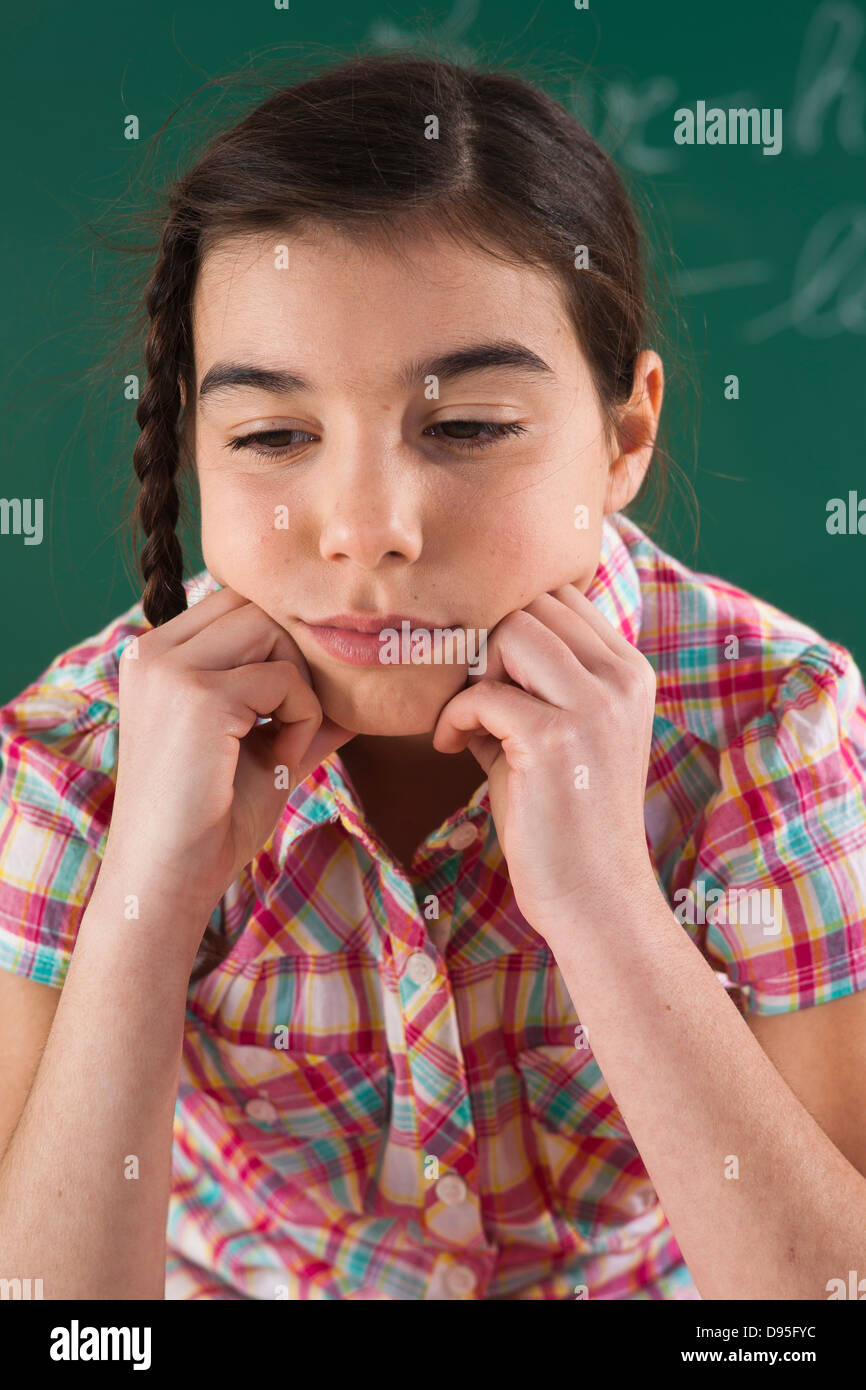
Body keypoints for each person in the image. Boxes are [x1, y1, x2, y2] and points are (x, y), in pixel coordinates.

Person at [1, 52, 865, 1302]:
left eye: (462, 427)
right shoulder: (70, 765)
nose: (364, 528)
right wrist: (150, 883)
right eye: (272, 436)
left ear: (623, 434)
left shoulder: (773, 725)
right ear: (190, 445)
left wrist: (609, 906)